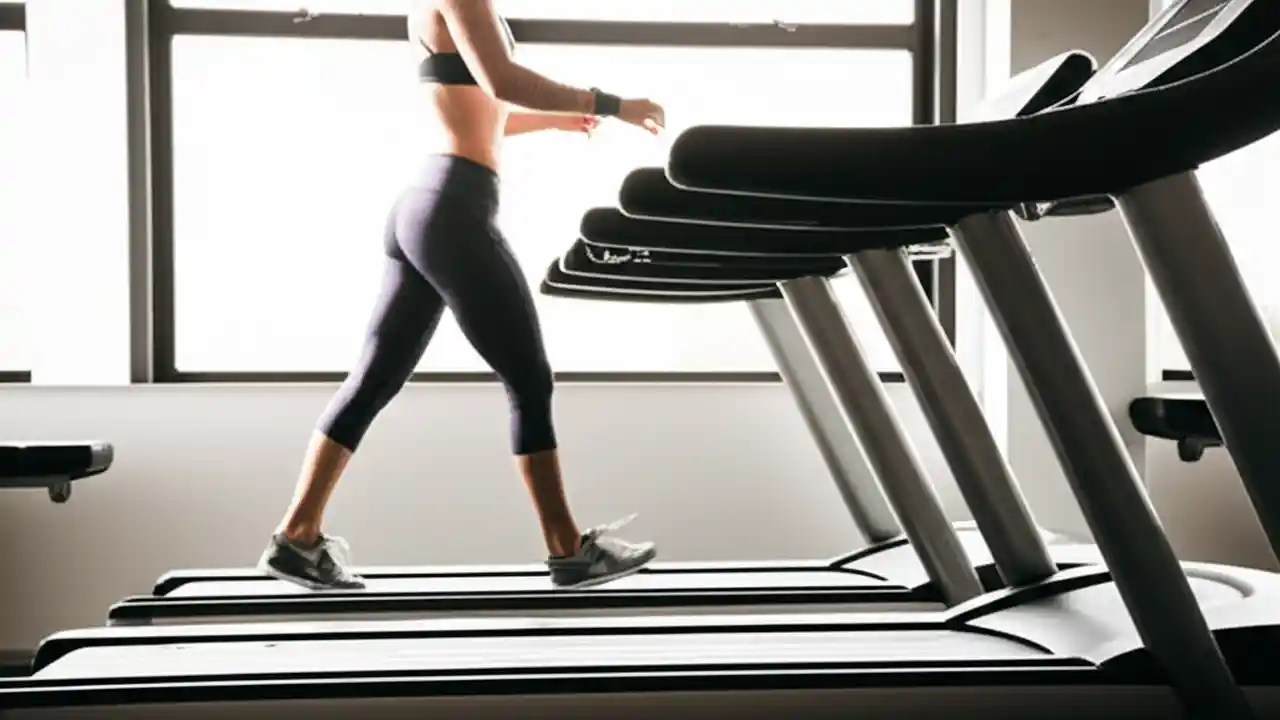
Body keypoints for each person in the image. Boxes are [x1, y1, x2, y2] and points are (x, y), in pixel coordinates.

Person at [257, 0, 665, 591]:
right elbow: (503, 81)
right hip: (453, 209)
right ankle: (569, 550)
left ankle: (296, 538)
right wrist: (613, 104)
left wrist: (555, 120)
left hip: (426, 203)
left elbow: (478, 109)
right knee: (530, 379)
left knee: (372, 381)